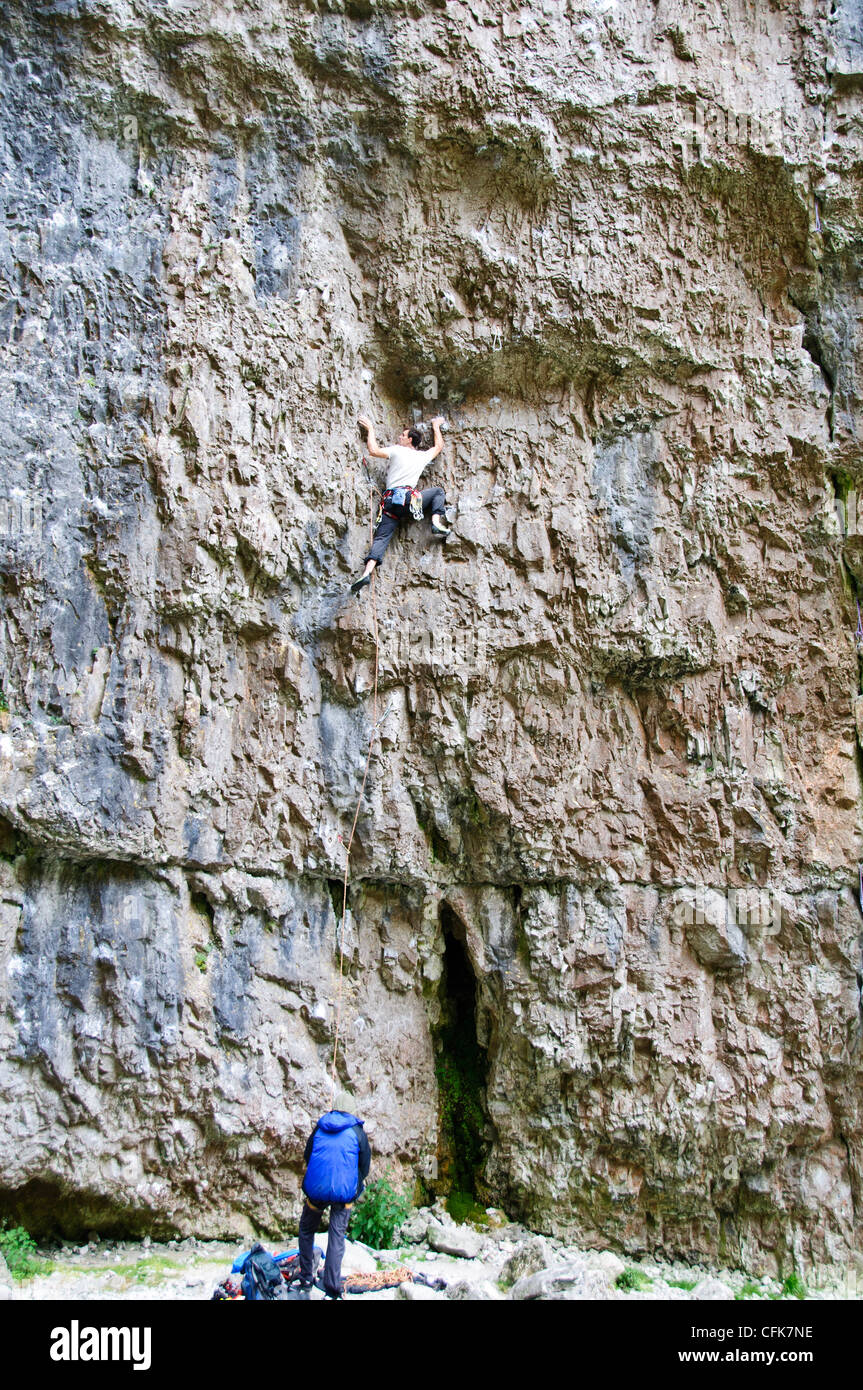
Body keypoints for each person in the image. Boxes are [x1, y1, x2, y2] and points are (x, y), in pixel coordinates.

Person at [350, 414, 451, 593]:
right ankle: (435, 523)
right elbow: (438, 447)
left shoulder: (397, 450)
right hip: (408, 501)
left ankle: (367, 572)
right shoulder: (422, 457)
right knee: (437, 492)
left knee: (381, 538)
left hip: (389, 504)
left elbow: (373, 450)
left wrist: (371, 429)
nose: (399, 438)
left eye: (403, 436)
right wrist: (436, 426)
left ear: (410, 439)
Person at [298, 1091, 371, 1299]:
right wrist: (353, 1185)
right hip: (343, 1193)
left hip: (317, 1190)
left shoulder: (320, 1126)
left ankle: (305, 1278)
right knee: (336, 1236)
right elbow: (364, 1166)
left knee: (306, 1229)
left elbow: (307, 1155)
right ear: (352, 1110)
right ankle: (331, 1287)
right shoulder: (357, 1132)